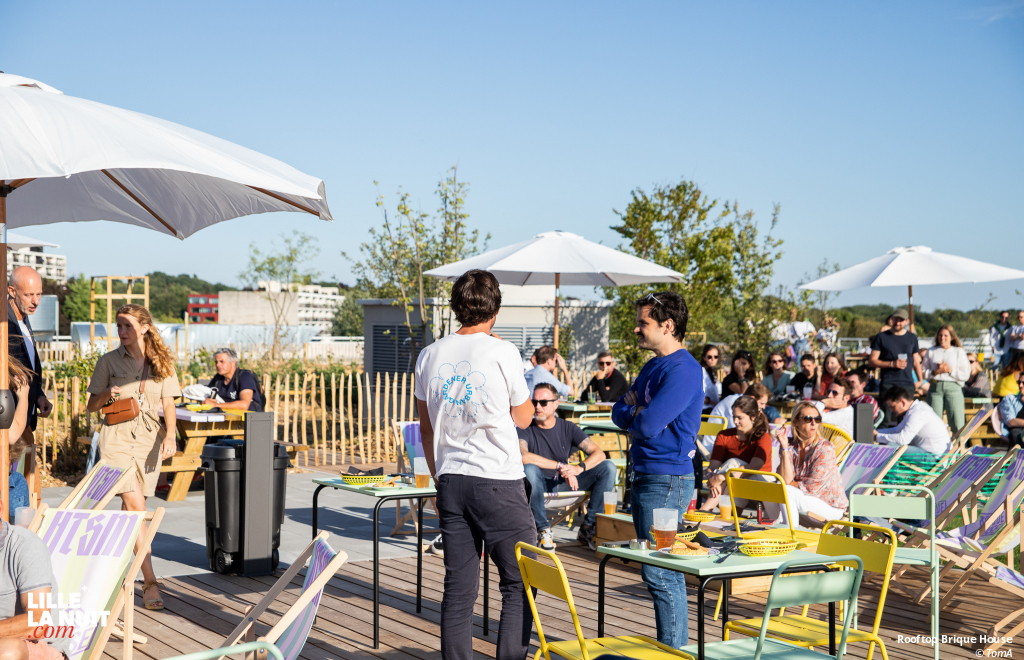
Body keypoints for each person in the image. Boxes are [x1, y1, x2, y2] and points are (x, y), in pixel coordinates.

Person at [414, 269, 536, 660]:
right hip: (498, 481)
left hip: (451, 480)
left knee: (459, 588)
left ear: (455, 308)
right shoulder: (503, 352)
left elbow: (426, 429)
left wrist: (438, 479)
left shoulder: (429, 355)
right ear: (495, 309)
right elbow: (524, 418)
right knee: (519, 583)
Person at [612, 291, 703, 649]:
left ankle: (675, 651)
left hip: (667, 479)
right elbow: (618, 411)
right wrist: (635, 413)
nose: (636, 329)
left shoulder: (684, 369)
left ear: (667, 326)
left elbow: (647, 424)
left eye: (643, 323)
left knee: (660, 572)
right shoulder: (652, 366)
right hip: (647, 474)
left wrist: (636, 413)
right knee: (656, 568)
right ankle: (672, 648)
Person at [86, 304, 181, 611]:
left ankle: (113, 577)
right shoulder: (108, 361)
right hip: (115, 441)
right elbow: (91, 405)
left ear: (144, 328)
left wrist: (170, 435)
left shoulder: (162, 362)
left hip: (148, 443)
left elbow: (168, 404)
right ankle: (150, 581)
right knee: (137, 506)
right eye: (118, 326)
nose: (122, 332)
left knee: (131, 511)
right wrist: (107, 396)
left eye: (127, 326)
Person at [519, 383, 617, 551]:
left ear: (556, 404)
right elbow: (523, 457)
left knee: (608, 467)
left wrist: (579, 468)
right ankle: (542, 529)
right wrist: (561, 466)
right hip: (538, 485)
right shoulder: (525, 428)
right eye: (534, 402)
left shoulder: (568, 427)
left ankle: (588, 527)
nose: (537, 406)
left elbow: (598, 453)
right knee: (530, 469)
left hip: (564, 482)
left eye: (543, 402)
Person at [0, 509, 70, 660]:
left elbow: (38, 622)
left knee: (7, 651)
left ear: (0, 507)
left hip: (37, 646)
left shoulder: (26, 546)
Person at [769, 401, 848, 525]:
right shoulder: (790, 446)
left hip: (831, 508)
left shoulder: (824, 448)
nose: (813, 423)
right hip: (805, 501)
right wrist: (784, 447)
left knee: (786, 490)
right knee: (774, 488)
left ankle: (790, 534)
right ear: (796, 422)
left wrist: (787, 484)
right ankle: (778, 525)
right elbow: (785, 479)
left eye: (817, 419)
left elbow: (813, 487)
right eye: (807, 419)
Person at [698, 395, 772, 514]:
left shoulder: (762, 436)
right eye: (734, 416)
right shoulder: (724, 435)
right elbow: (714, 466)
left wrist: (722, 477)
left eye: (740, 417)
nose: (735, 421)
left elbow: (755, 466)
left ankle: (707, 509)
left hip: (761, 481)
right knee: (731, 476)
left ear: (753, 417)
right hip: (735, 481)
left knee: (732, 464)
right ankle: (729, 516)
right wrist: (712, 476)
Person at [7, 266, 53, 444]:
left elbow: (25, 366)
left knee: (30, 470)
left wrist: (39, 395)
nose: (36, 301)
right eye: (28, 295)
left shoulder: (23, 318)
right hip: (9, 421)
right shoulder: (4, 324)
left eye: (39, 294)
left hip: (24, 418)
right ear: (12, 291)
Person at [867, 309, 923, 425]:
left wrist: (920, 380)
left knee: (906, 419)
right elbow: (872, 361)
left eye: (901, 320)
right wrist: (892, 364)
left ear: (907, 321)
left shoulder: (912, 337)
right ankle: (882, 442)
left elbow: (916, 361)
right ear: (891, 319)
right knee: (884, 418)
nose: (898, 323)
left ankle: (904, 443)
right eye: (896, 319)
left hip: (907, 382)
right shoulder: (882, 337)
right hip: (888, 382)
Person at [921, 325, 971, 435]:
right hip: (935, 388)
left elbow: (965, 374)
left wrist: (949, 370)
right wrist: (936, 372)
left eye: (945, 335)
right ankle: (935, 449)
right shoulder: (931, 351)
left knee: (957, 422)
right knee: (934, 422)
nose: (942, 338)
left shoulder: (958, 351)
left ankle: (959, 448)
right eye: (940, 335)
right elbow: (922, 371)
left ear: (951, 337)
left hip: (953, 388)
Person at [875, 387, 951, 455]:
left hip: (934, 458)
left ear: (903, 402)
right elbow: (897, 430)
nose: (891, 410)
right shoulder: (915, 409)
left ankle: (889, 471)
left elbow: (903, 439)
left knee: (891, 447)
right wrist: (877, 432)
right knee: (888, 444)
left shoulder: (917, 412)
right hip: (929, 453)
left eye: (893, 406)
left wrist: (877, 437)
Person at [698, 344, 721, 411]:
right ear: (704, 357)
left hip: (712, 409)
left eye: (716, 356)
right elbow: (696, 393)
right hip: (704, 410)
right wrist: (710, 401)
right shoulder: (701, 371)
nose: (713, 359)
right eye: (709, 357)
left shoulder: (712, 372)